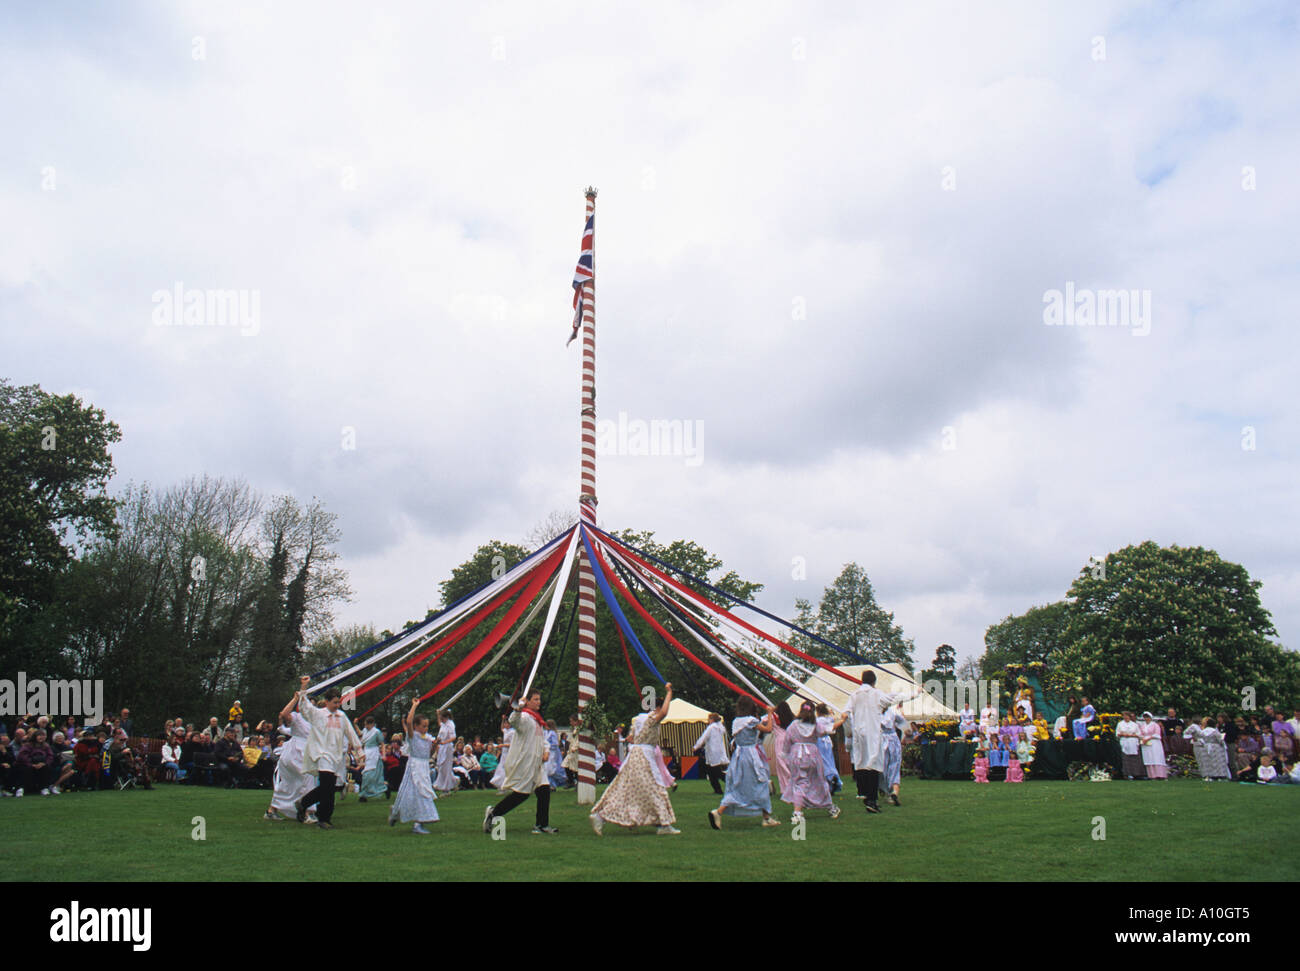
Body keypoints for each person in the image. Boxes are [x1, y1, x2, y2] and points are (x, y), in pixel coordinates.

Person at [590, 683, 680, 835]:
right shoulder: (651, 719)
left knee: (630, 789)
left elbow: (631, 737)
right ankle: (663, 825)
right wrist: (669, 692)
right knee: (655, 788)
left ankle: (660, 823)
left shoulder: (639, 720)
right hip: (644, 758)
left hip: (637, 757)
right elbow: (664, 712)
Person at [483, 691, 557, 835]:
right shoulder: (524, 717)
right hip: (526, 762)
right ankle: (494, 813)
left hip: (537, 763)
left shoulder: (537, 720)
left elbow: (542, 740)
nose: (538, 702)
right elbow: (514, 720)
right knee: (521, 795)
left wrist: (546, 750)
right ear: (527, 702)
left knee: (544, 791)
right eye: (535, 699)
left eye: (539, 699)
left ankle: (541, 825)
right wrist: (518, 708)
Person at [295, 677, 364, 830]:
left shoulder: (341, 716)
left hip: (336, 756)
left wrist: (359, 751)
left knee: (330, 788)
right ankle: (324, 818)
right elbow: (304, 707)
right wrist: (303, 688)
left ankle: (303, 803)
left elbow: (350, 733)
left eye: (338, 702)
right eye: (334, 702)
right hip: (322, 754)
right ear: (326, 702)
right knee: (327, 788)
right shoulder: (318, 714)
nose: (337, 705)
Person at [847, 670, 918, 814]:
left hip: (859, 735)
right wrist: (915, 693)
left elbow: (846, 712)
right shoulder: (877, 694)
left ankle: (866, 795)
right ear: (874, 682)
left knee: (862, 764)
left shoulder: (854, 695)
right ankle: (872, 800)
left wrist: (850, 730)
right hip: (873, 734)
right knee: (874, 765)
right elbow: (895, 697)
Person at [708, 696, 780, 830]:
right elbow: (768, 729)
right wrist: (770, 713)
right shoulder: (751, 721)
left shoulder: (736, 721)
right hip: (751, 756)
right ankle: (766, 818)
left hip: (738, 757)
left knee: (738, 785)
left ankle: (719, 811)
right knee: (761, 783)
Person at [781, 701, 848, 824]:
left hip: (797, 756)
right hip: (812, 755)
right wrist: (842, 720)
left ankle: (797, 812)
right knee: (819, 781)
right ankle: (830, 807)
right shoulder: (815, 724)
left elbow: (787, 741)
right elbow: (827, 730)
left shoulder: (794, 725)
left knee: (799, 782)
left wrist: (786, 756)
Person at [389, 698, 439, 834]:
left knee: (418, 793)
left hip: (424, 767)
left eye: (427, 726)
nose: (425, 728)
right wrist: (414, 706)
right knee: (413, 792)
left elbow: (429, 753)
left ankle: (398, 812)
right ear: (416, 726)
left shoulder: (427, 738)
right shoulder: (413, 736)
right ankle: (416, 822)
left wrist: (434, 746)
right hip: (414, 767)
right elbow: (409, 721)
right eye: (423, 726)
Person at [266, 692, 316, 821]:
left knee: (289, 784)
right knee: (308, 780)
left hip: (299, 753)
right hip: (296, 753)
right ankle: (307, 813)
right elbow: (284, 714)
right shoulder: (297, 717)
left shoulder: (313, 721)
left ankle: (271, 810)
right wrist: (295, 699)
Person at [692, 712, 729, 795]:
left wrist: (696, 746)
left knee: (716, 772)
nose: (708, 721)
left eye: (709, 719)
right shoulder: (720, 728)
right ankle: (717, 789)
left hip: (712, 753)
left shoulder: (711, 728)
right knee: (711, 772)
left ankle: (729, 784)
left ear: (712, 719)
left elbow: (703, 737)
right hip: (718, 752)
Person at [878, 704, 908, 805]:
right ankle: (894, 791)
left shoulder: (876, 713)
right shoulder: (892, 711)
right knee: (894, 766)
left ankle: (887, 791)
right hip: (894, 739)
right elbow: (902, 722)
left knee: (883, 767)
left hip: (882, 740)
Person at [815, 703, 843, 794]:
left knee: (823, 763)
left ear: (818, 712)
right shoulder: (827, 720)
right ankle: (833, 778)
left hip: (819, 742)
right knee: (830, 762)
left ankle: (828, 781)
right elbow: (833, 720)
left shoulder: (817, 720)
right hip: (827, 742)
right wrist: (831, 714)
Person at [358, 716, 387, 801]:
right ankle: (364, 794)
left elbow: (382, 744)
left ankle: (364, 794)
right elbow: (360, 734)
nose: (366, 726)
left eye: (367, 725)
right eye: (365, 725)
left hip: (374, 754)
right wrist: (355, 724)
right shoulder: (365, 731)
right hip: (367, 753)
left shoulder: (377, 732)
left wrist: (384, 755)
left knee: (371, 775)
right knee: (366, 775)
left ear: (372, 724)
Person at [433, 709, 457, 794]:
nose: (441, 719)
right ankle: (454, 782)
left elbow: (453, 737)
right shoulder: (444, 724)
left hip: (447, 748)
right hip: (442, 748)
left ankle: (446, 789)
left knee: (446, 768)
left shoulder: (450, 724)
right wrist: (438, 714)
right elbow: (440, 723)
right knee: (441, 767)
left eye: (442, 717)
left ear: (446, 717)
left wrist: (444, 742)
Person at [1138, 712, 1167, 780]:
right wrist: (1142, 739)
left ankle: (1160, 775)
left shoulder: (1155, 725)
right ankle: (1151, 775)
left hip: (1154, 743)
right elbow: (1140, 734)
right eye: (1145, 717)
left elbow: (1157, 734)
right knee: (1149, 758)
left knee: (1156, 758)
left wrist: (1148, 738)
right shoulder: (1143, 726)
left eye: (1148, 717)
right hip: (1146, 743)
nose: (1146, 719)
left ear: (1151, 718)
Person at [1117, 711, 1145, 779]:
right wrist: (1123, 734)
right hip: (1125, 742)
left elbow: (1139, 734)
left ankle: (1136, 774)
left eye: (1127, 716)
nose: (1126, 717)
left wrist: (1131, 735)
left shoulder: (1134, 724)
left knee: (1134, 758)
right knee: (1126, 758)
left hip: (1133, 742)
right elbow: (1117, 733)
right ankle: (1127, 774)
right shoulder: (1120, 724)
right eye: (1124, 716)